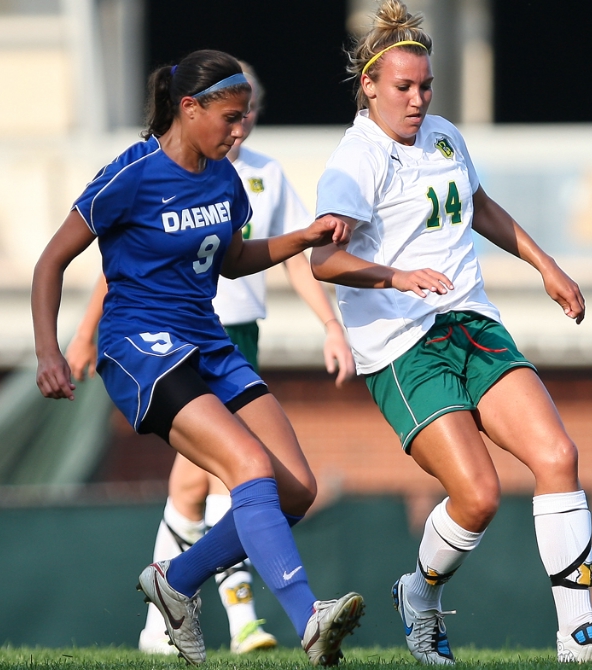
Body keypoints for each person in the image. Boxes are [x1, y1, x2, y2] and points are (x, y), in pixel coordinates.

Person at [308, 1, 592, 664]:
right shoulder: (353, 162)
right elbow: (323, 260)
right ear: (369, 86)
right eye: (404, 87)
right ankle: (419, 593)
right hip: (402, 346)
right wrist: (396, 278)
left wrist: (547, 266)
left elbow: (479, 206)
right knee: (478, 496)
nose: (418, 99)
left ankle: (577, 632)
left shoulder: (447, 136)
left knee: (558, 456)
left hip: (473, 323)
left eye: (426, 86)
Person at [32, 49, 364, 666]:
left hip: (209, 341)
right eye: (231, 118)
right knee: (247, 467)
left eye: (246, 119)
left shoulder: (223, 177)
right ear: (189, 107)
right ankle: (309, 618)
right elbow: (51, 261)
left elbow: (232, 260)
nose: (241, 131)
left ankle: (177, 579)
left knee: (297, 491)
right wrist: (50, 350)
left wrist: (302, 237)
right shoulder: (130, 175)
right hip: (142, 349)